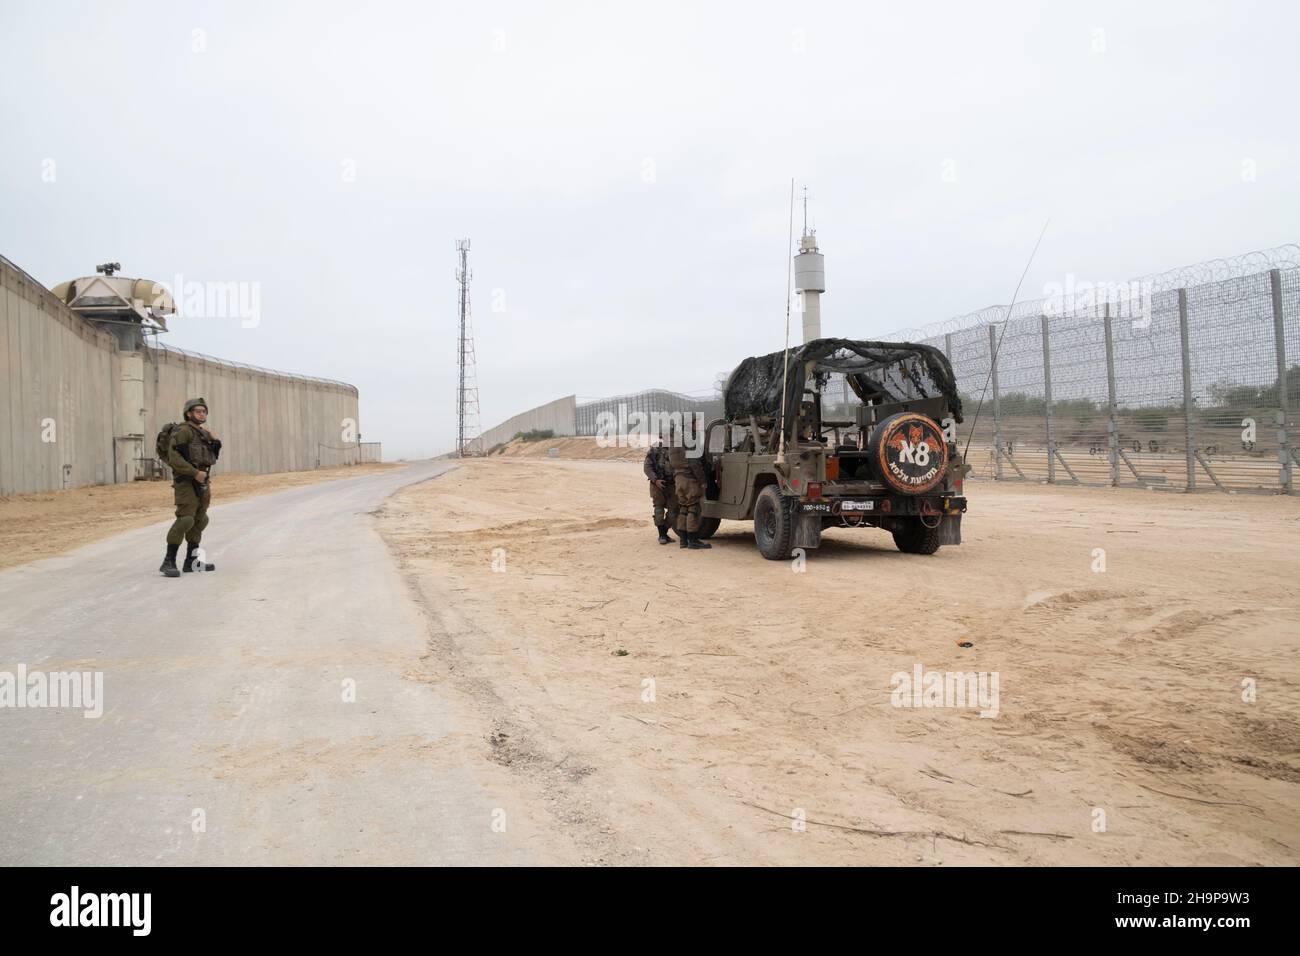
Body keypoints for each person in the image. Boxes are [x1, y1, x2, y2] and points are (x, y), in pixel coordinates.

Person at [160, 397, 222, 578]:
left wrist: (214, 439)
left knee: (200, 519)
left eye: (204, 411)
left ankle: (192, 561)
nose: (202, 414)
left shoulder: (202, 433)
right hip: (186, 481)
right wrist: (194, 473)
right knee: (186, 519)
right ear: (189, 413)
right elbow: (174, 458)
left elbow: (211, 454)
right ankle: (168, 561)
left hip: (202, 480)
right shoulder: (183, 431)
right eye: (198, 411)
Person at [668, 420, 711, 551]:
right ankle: (693, 540)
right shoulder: (689, 440)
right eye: (694, 423)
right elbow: (694, 463)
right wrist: (703, 480)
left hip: (679, 479)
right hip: (689, 479)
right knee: (693, 508)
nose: (696, 425)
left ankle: (683, 540)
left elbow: (671, 463)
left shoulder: (675, 442)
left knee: (683, 509)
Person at [643, 436, 678, 544]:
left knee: (673, 511)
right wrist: (656, 480)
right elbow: (647, 468)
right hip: (657, 484)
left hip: (671, 484)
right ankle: (662, 535)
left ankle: (663, 533)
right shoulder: (654, 450)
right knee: (659, 508)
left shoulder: (675, 449)